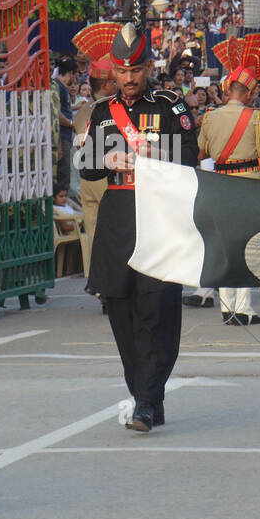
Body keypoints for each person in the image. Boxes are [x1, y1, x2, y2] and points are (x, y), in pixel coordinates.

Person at [77, 21, 199, 432]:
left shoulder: (171, 105)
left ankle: (145, 400)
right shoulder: (101, 111)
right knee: (120, 307)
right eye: (121, 71)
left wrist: (153, 152)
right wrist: (105, 158)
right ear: (113, 70)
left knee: (156, 309)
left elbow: (189, 154)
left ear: (149, 66)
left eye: (136, 70)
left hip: (159, 214)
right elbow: (84, 165)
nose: (128, 79)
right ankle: (146, 394)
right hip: (117, 217)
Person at [196, 65, 260, 325]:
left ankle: (226, 307)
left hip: (220, 185)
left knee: (224, 246)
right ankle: (243, 308)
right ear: (246, 93)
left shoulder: (211, 116)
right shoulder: (256, 117)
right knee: (249, 246)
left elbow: (201, 153)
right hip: (249, 186)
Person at [72, 55, 116, 275]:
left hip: (85, 177)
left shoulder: (82, 111)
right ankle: (110, 277)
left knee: (92, 230)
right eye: (115, 81)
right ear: (106, 84)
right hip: (105, 175)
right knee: (112, 229)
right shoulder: (109, 110)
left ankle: (94, 278)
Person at [53, 56, 77, 190]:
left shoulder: (63, 88)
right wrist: (72, 124)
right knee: (63, 172)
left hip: (66, 135)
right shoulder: (58, 88)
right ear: (71, 73)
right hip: (61, 136)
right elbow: (57, 113)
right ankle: (62, 201)